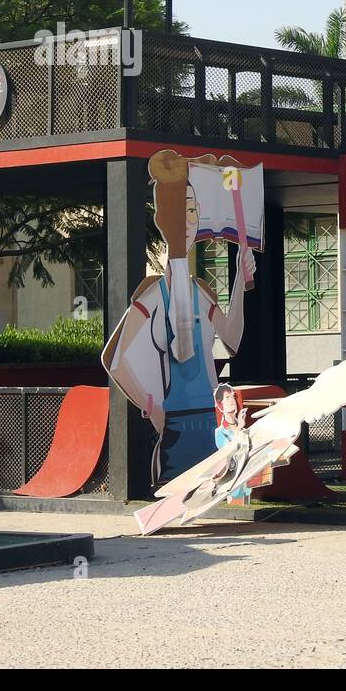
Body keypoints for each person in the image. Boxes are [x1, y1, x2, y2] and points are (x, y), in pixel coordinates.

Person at [103, 152, 256, 485]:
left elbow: (231, 339)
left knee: (212, 491)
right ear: (168, 215)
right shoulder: (153, 296)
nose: (192, 220)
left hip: (211, 418)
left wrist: (239, 285)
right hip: (176, 424)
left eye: (195, 211)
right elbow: (114, 359)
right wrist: (151, 406)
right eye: (187, 210)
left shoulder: (200, 291)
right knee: (175, 490)